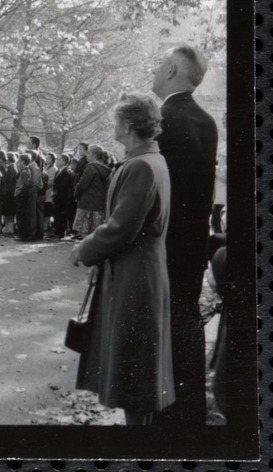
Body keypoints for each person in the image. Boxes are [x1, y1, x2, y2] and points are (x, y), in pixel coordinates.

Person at [70, 92, 174, 425]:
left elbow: (120, 228)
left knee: (135, 378)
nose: (112, 125)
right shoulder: (147, 160)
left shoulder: (142, 164)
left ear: (128, 125)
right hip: (137, 275)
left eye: (116, 120)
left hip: (135, 281)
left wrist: (84, 249)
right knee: (136, 374)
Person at [151, 43, 219, 426]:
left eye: (162, 66)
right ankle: (190, 406)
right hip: (193, 242)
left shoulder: (161, 118)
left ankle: (166, 408)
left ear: (173, 71)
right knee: (186, 317)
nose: (157, 72)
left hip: (162, 242)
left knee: (162, 323)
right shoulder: (208, 122)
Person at [72, 144, 111, 238]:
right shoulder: (106, 169)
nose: (86, 155)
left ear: (94, 155)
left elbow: (82, 185)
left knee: (85, 232)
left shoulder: (90, 168)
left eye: (88, 153)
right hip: (99, 204)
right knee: (96, 231)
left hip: (87, 203)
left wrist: (76, 194)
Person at [52, 153, 76, 240]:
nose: (56, 161)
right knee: (57, 215)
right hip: (58, 197)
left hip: (64, 198)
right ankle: (58, 232)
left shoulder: (67, 172)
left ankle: (61, 233)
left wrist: (56, 192)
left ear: (64, 161)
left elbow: (63, 186)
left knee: (62, 216)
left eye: (59, 159)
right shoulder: (58, 171)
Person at [13, 153, 36, 241]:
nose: (17, 162)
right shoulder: (24, 171)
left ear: (23, 162)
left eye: (19, 161)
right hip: (21, 196)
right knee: (21, 215)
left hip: (22, 197)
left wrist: (20, 194)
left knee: (22, 216)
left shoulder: (25, 172)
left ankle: (23, 235)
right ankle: (22, 234)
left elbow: (26, 185)